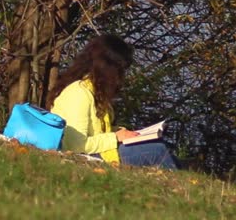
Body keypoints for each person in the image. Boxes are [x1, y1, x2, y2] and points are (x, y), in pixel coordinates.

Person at [47, 34, 178, 169]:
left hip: (98, 151)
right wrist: (115, 137)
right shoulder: (79, 93)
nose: (122, 77)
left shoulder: (94, 91)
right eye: (121, 71)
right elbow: (76, 145)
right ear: (109, 69)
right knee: (157, 151)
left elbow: (97, 130)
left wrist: (123, 133)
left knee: (159, 146)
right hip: (86, 156)